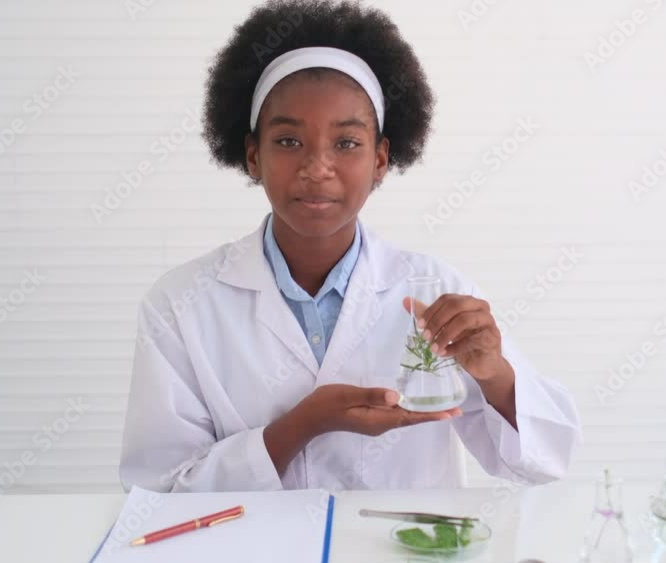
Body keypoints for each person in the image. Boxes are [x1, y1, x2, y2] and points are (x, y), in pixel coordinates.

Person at [119, 0, 581, 493]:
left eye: (346, 143)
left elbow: (546, 462)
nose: (317, 168)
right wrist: (304, 423)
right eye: (289, 141)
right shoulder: (181, 304)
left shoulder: (437, 291)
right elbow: (158, 491)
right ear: (253, 155)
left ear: (380, 159)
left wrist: (496, 377)